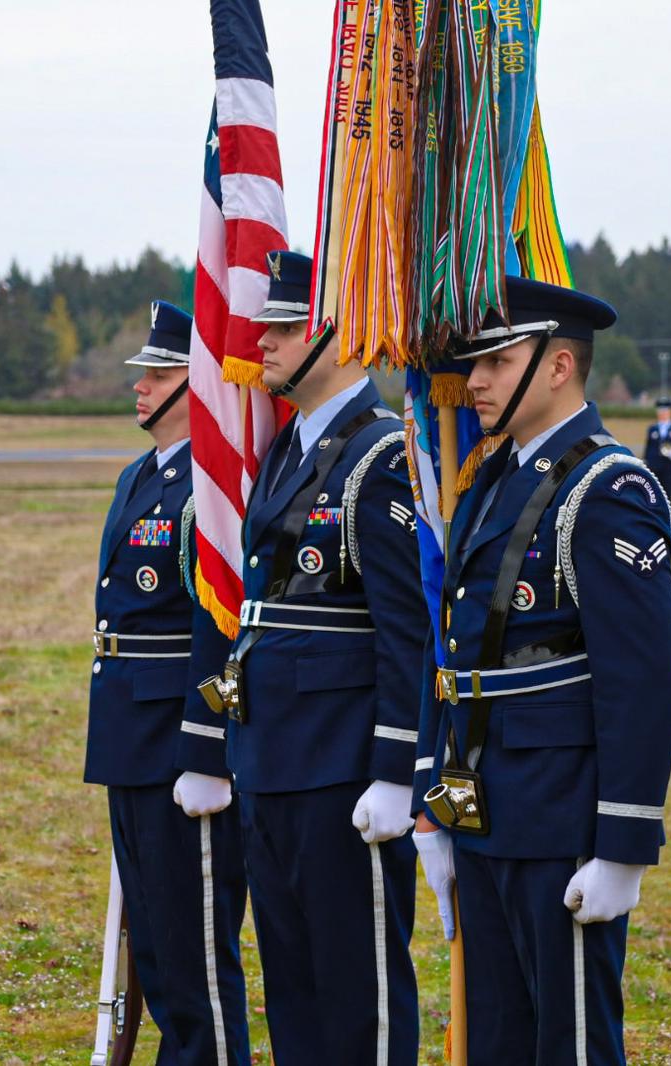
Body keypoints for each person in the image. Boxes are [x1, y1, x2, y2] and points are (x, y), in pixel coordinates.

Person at [411, 277, 671, 1065]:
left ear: (559, 365)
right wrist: (437, 794)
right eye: (476, 361)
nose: (476, 380)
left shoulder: (609, 488)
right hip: (487, 806)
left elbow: (643, 680)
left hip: (559, 814)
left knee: (567, 1042)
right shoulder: (493, 478)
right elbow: (456, 652)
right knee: (500, 1037)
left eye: (497, 360)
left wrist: (624, 843)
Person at [202, 250, 423, 1065]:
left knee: (355, 989)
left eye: (287, 326)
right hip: (272, 757)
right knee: (290, 983)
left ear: (345, 333)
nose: (263, 339)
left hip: (341, 768)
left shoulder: (383, 455)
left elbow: (408, 633)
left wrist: (397, 771)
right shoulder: (289, 449)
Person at [83, 300, 249, 1066]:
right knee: (151, 938)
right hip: (127, 729)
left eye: (159, 374)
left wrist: (203, 744)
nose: (142, 388)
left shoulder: (210, 491)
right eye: (142, 375)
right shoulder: (138, 477)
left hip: (175, 732)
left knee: (191, 947)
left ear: (200, 383)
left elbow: (215, 623)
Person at [641, 397, 671, 498]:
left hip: (669, 466)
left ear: (670, 412)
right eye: (660, 411)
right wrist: (645, 461)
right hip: (653, 466)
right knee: (653, 495)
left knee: (667, 495)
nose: (662, 413)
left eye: (665, 411)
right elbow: (648, 447)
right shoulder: (652, 429)